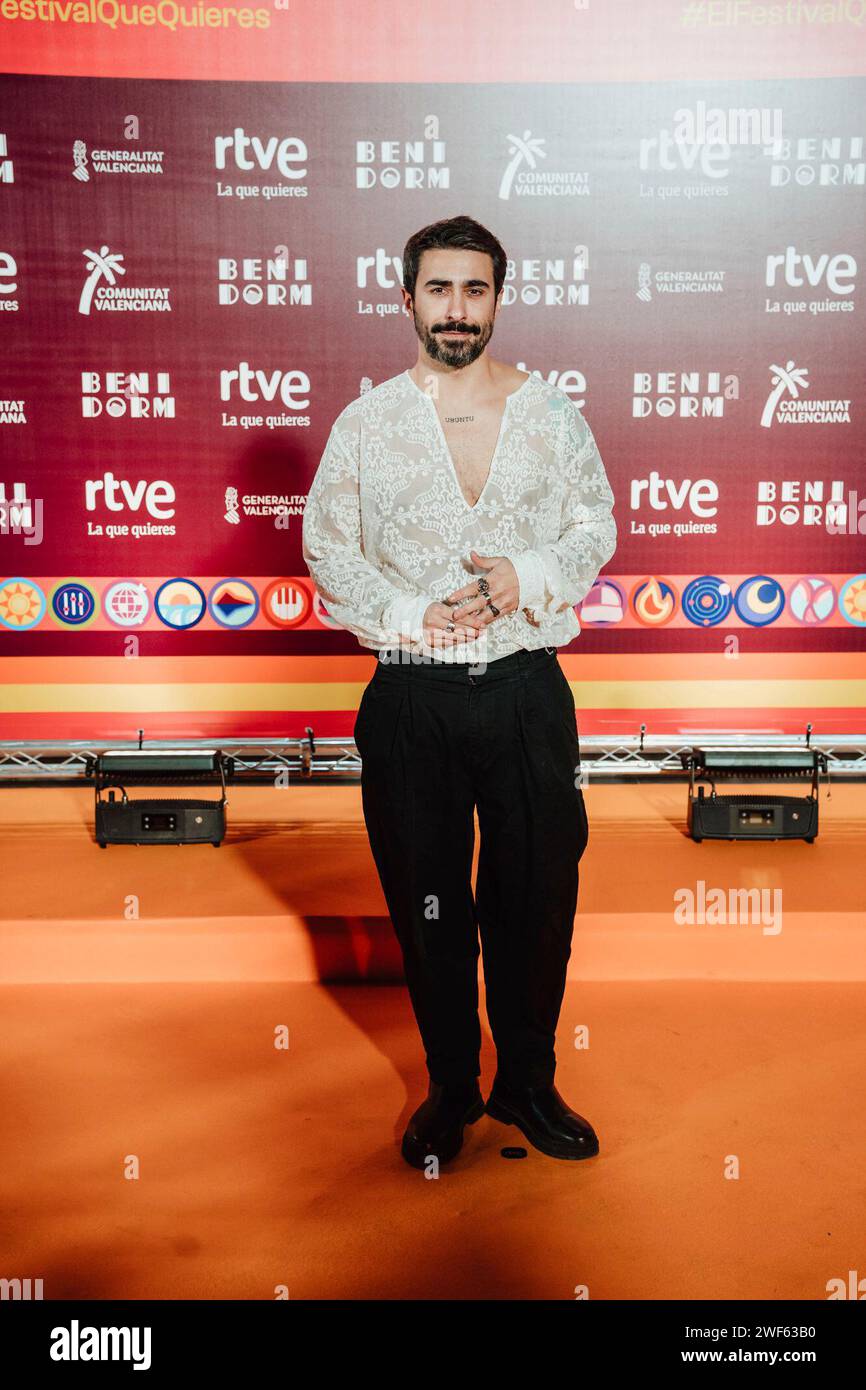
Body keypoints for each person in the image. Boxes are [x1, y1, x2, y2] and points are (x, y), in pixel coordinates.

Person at [302, 214, 617, 1170]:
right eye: (438, 290)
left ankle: (527, 1082)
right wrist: (405, 612)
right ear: (407, 298)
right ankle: (450, 1086)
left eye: (474, 290)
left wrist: (530, 571)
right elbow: (326, 549)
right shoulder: (367, 424)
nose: (456, 309)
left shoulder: (553, 415)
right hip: (411, 703)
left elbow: (594, 524)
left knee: (535, 899)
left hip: (526, 694)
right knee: (428, 902)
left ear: (497, 299)